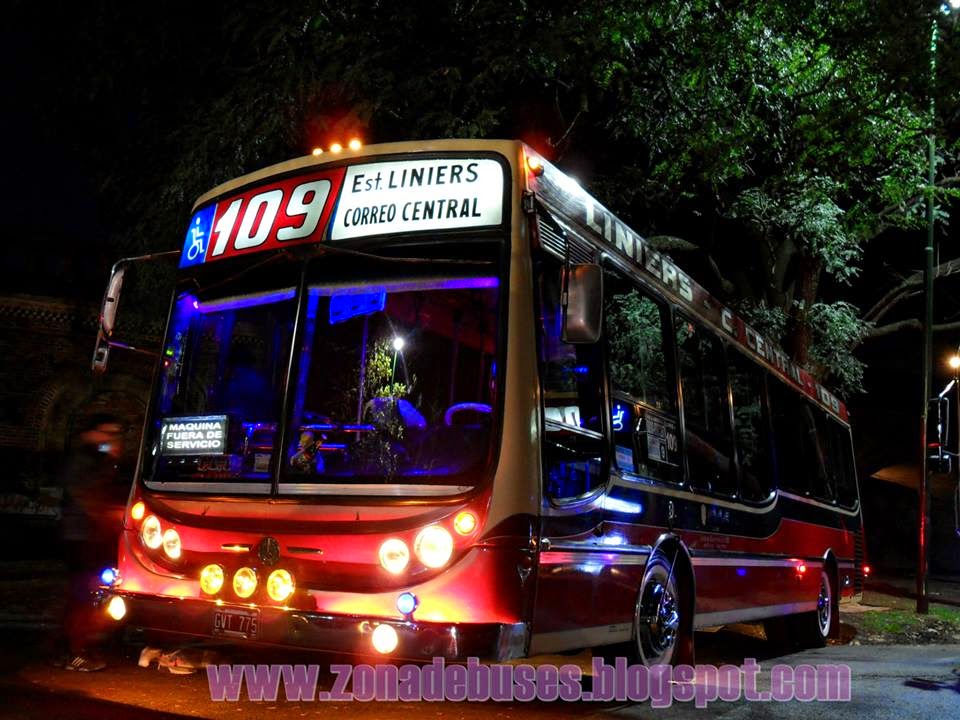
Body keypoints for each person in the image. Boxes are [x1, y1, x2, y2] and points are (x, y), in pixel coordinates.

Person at [55, 414, 127, 671]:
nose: (110, 440)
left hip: (88, 536)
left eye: (114, 434)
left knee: (86, 594)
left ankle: (72, 648)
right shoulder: (84, 460)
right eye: (105, 434)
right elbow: (89, 496)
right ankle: (73, 652)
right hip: (81, 536)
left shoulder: (95, 459)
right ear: (90, 433)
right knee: (82, 595)